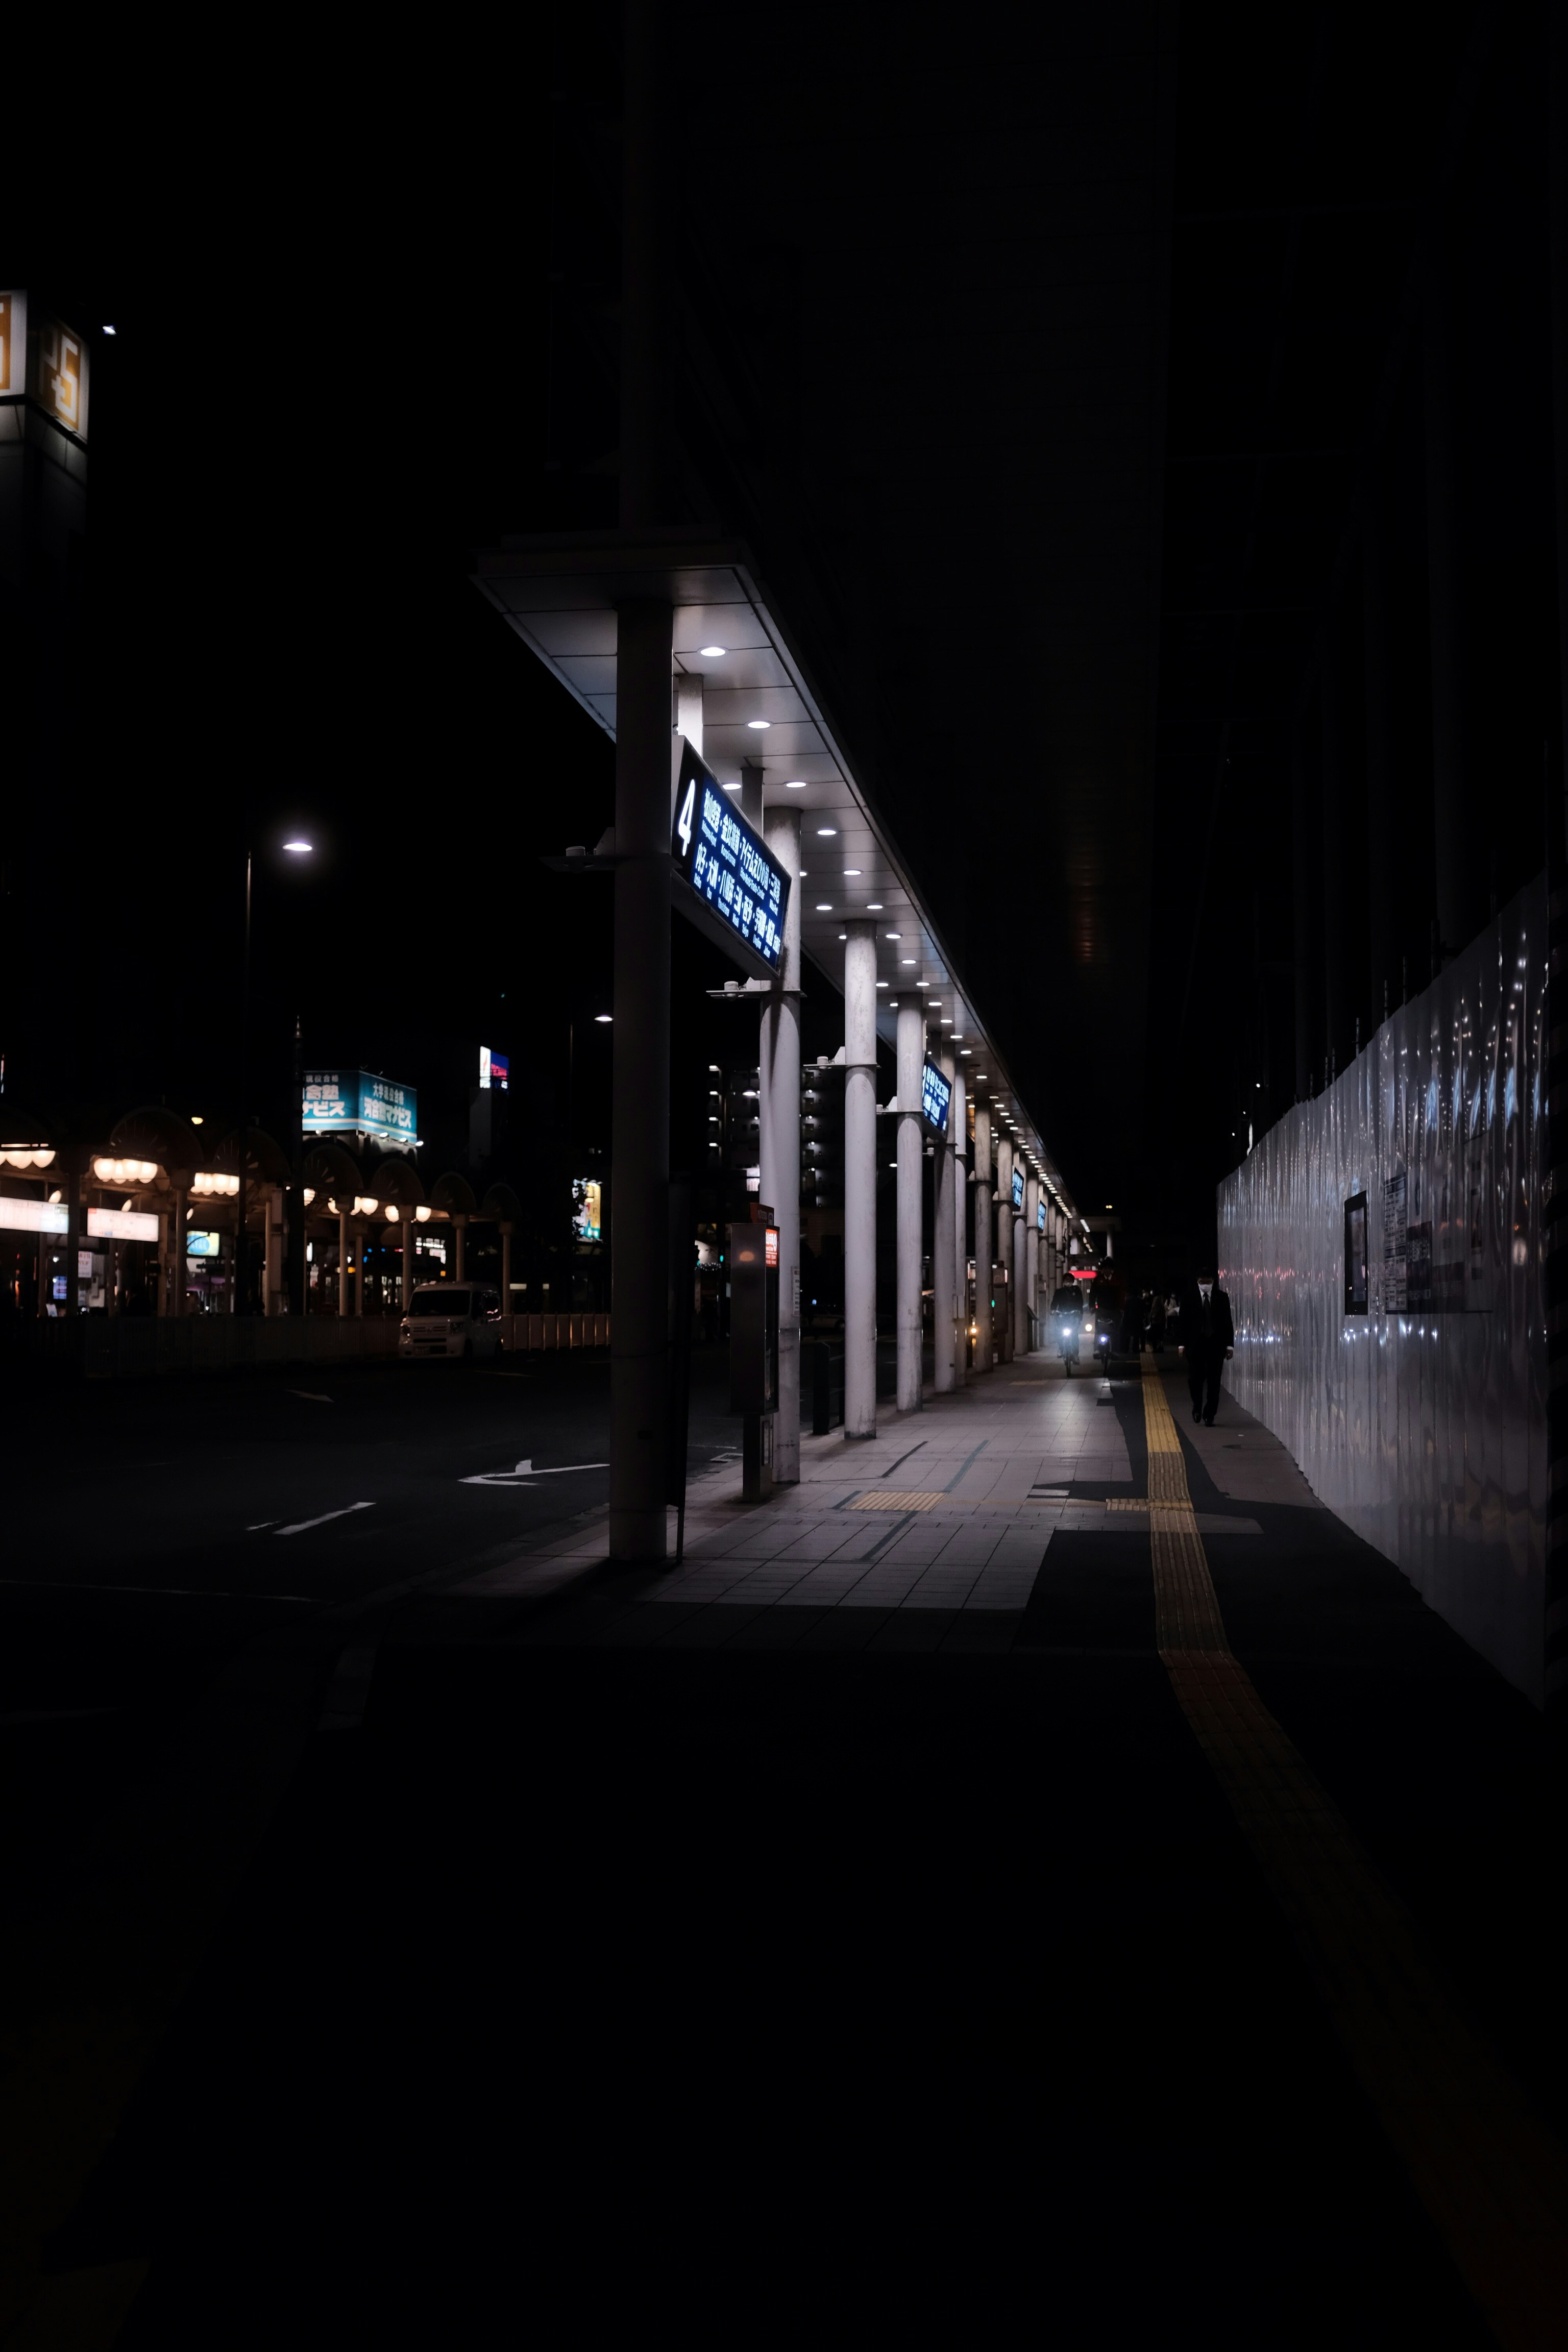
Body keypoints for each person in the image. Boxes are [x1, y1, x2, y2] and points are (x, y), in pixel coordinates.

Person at [1177, 1263, 1234, 1425]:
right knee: (1195, 1380)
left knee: (1214, 1382)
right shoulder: (1188, 1298)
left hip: (1216, 1346)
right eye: (1202, 1281)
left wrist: (1229, 1346)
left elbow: (1227, 1323)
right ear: (1197, 1281)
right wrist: (1181, 1345)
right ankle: (1197, 1406)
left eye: (1208, 1281)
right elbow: (1182, 1323)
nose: (1205, 1284)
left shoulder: (1222, 1298)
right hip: (1196, 1346)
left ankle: (1210, 1414)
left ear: (1213, 1281)